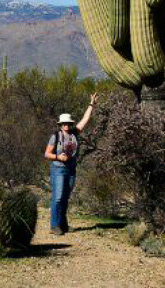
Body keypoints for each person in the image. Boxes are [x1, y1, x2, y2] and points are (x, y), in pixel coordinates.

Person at [43, 92, 97, 235]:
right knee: (58, 197)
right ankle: (55, 226)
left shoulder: (74, 133)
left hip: (71, 169)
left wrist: (91, 104)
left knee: (65, 197)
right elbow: (46, 154)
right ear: (60, 125)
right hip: (58, 169)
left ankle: (63, 225)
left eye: (68, 123)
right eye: (64, 123)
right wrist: (58, 157)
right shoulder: (55, 136)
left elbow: (85, 120)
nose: (66, 125)